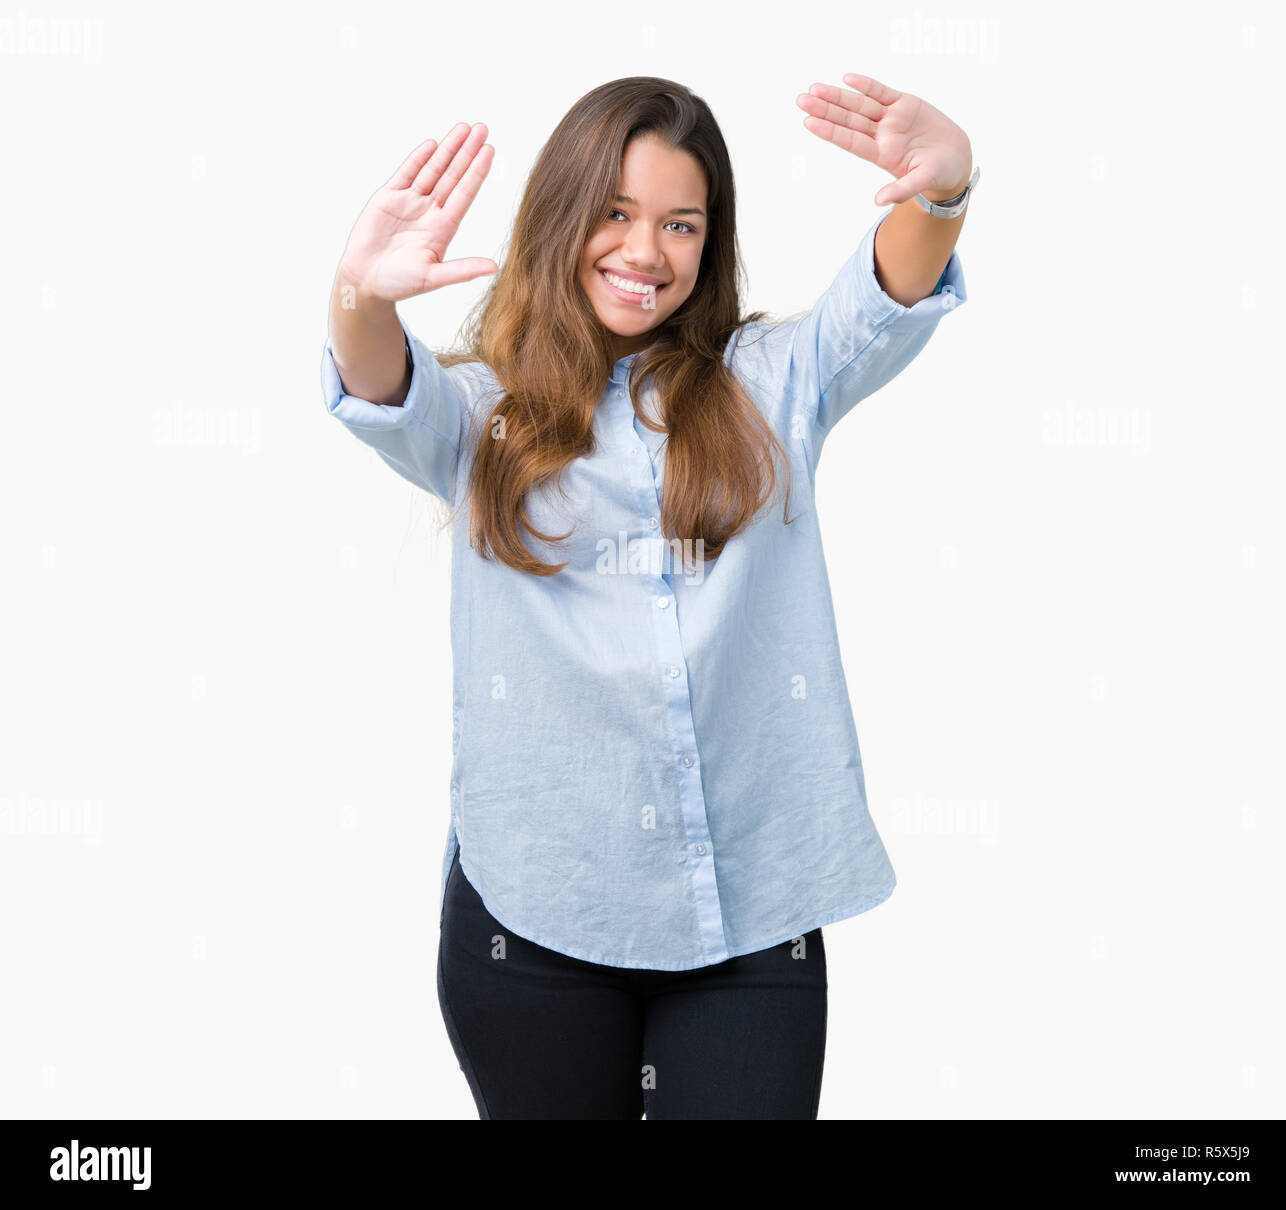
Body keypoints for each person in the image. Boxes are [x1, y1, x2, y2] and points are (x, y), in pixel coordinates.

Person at [319, 74, 974, 1119]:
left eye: (680, 223)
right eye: (615, 214)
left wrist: (941, 191)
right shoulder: (482, 413)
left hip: (750, 916)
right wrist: (363, 290)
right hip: (532, 923)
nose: (644, 250)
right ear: (563, 216)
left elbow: (880, 299)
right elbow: (382, 384)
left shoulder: (771, 382)